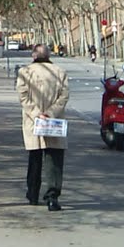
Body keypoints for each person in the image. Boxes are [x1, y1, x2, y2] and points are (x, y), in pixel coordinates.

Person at [17, 44, 71, 210]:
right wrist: (50, 113)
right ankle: (52, 197)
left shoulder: (25, 72)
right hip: (54, 122)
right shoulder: (60, 72)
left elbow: (23, 96)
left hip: (33, 122)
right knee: (54, 159)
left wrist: (36, 114)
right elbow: (64, 96)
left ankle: (33, 194)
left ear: (34, 56)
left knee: (35, 158)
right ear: (48, 55)